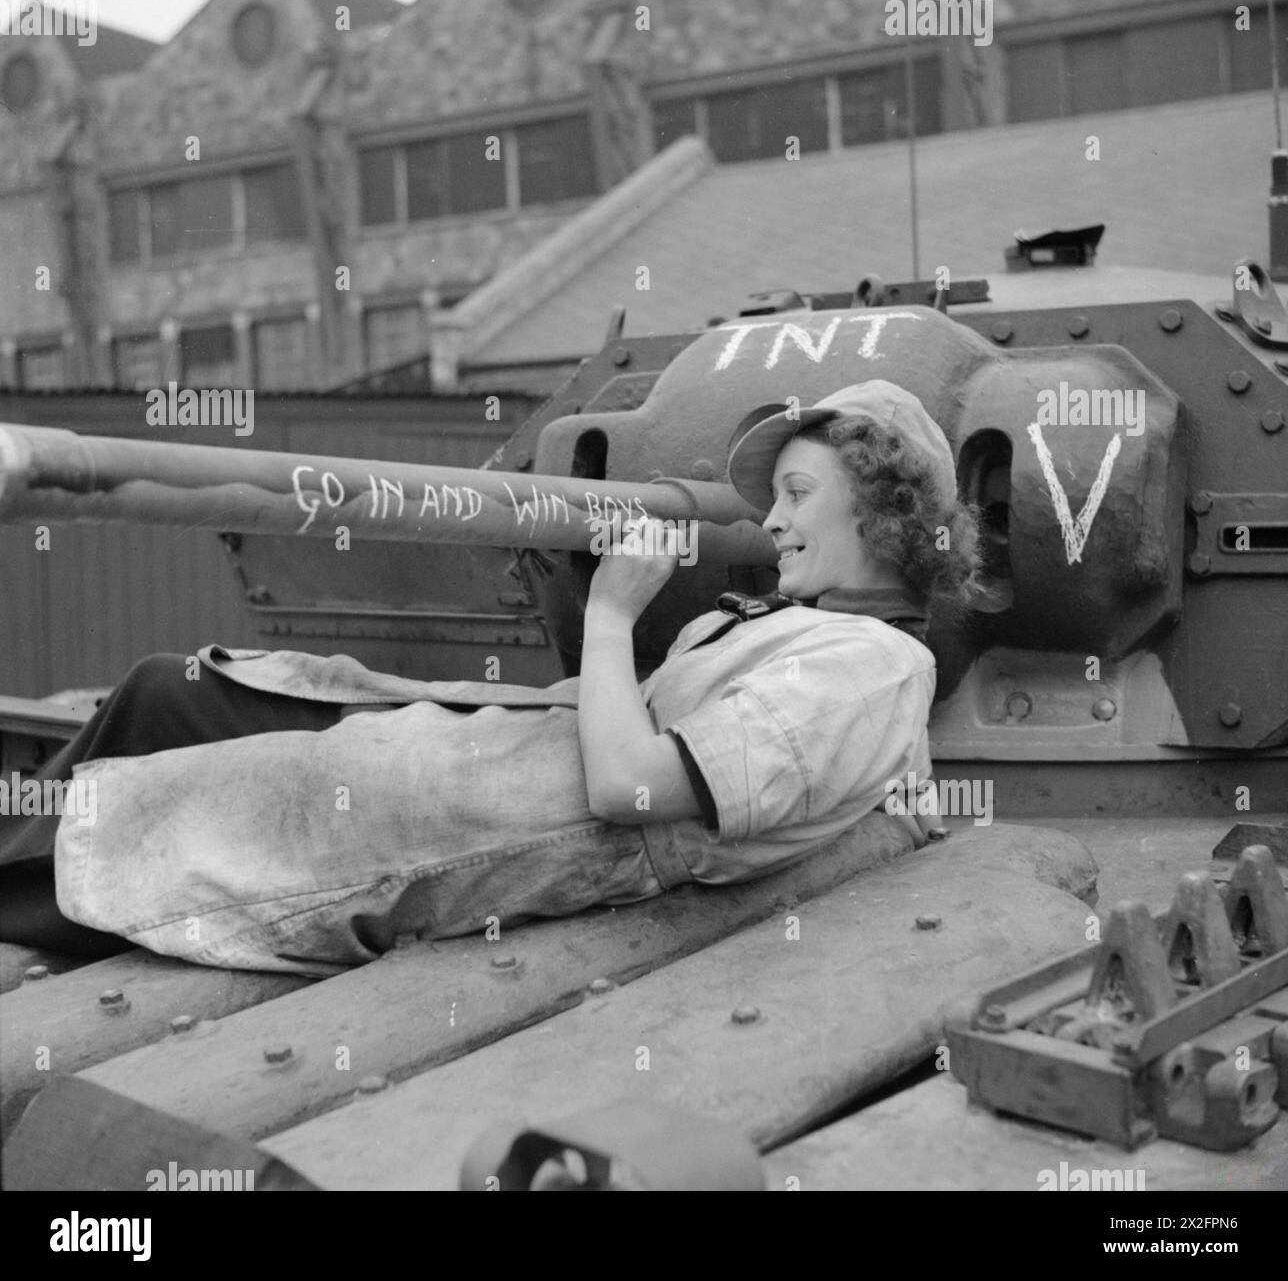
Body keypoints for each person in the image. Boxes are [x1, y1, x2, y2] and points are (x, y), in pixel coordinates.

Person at [0, 381, 979, 976]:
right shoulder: (821, 638)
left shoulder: (871, 667)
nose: (768, 521)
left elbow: (628, 788)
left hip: (493, 813)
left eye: (798, 494)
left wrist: (609, 614)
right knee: (169, 691)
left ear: (888, 513)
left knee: (150, 827)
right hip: (507, 747)